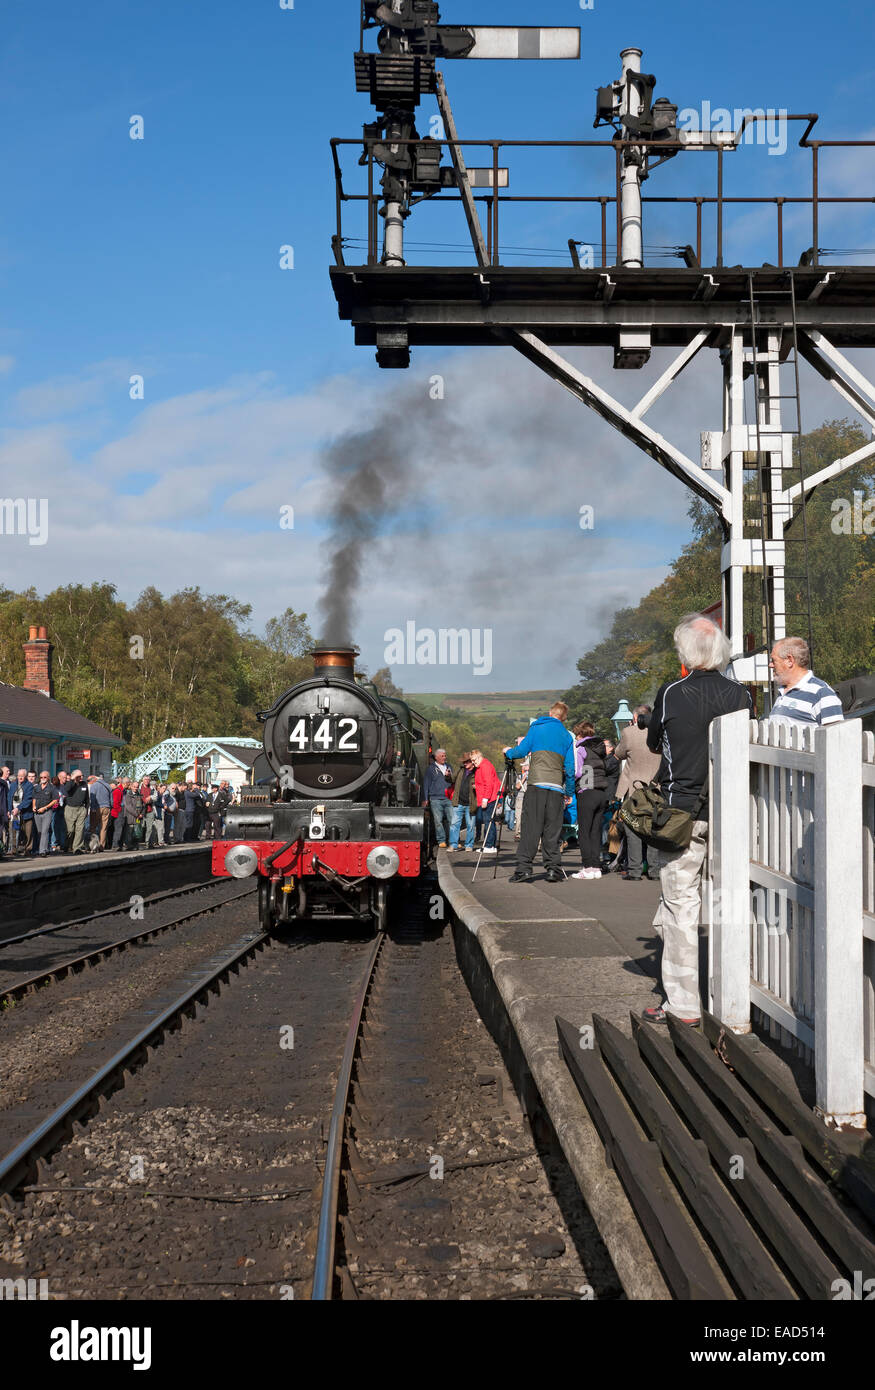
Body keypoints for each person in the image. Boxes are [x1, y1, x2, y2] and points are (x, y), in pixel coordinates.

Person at [644, 613, 753, 1026]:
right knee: (732, 907)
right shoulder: (740, 695)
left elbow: (656, 743)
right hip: (730, 813)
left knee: (680, 907)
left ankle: (685, 1005)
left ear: (686, 653)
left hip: (681, 815)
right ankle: (734, 1001)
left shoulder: (672, 693)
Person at [504, 702, 574, 883]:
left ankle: (524, 869)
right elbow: (571, 768)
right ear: (563, 717)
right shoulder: (567, 736)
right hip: (557, 788)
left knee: (530, 829)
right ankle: (553, 870)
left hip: (537, 786)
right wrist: (570, 792)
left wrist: (508, 753)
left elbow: (521, 750)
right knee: (552, 832)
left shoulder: (537, 728)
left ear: (550, 713)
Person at [615, 706, 662, 880]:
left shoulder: (629, 732)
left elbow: (619, 753)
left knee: (632, 828)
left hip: (633, 787)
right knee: (653, 828)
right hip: (655, 787)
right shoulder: (661, 731)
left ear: (636, 717)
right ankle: (654, 870)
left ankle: (634, 870)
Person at [767, 637, 844, 727]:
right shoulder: (783, 692)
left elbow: (836, 736)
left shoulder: (822, 694)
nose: (770, 665)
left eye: (773, 660)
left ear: (789, 661)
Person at [570, 721, 608, 881]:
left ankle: (587, 867)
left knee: (584, 832)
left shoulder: (581, 749)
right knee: (595, 832)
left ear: (579, 734)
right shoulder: (599, 749)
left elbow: (578, 772)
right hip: (601, 793)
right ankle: (596, 867)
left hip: (586, 792)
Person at [470, 749, 502, 853]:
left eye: (474, 760)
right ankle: (491, 846)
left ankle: (489, 845)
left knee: (488, 821)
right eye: (472, 760)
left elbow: (489, 784)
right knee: (490, 821)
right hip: (489, 797)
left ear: (479, 757)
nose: (473, 762)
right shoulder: (481, 766)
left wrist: (485, 799)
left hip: (489, 798)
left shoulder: (485, 766)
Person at [423, 750, 454, 849]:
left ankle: (452, 840)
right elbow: (426, 784)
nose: (444, 758)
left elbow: (453, 780)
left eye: (445, 756)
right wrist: (425, 798)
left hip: (448, 798)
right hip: (435, 798)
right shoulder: (430, 769)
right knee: (438, 821)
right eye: (442, 756)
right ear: (436, 757)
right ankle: (441, 840)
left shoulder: (449, 767)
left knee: (452, 820)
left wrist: (450, 776)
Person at [448, 755, 477, 851]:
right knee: (454, 824)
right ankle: (453, 844)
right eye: (464, 762)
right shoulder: (460, 770)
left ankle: (469, 845)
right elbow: (451, 780)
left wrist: (477, 787)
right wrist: (447, 776)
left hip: (471, 803)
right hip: (458, 802)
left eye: (467, 762)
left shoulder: (477, 772)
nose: (465, 764)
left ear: (472, 762)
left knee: (471, 825)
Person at [33, 771, 60, 856]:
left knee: (45, 831)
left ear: (48, 778)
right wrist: (33, 806)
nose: (43, 779)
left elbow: (55, 800)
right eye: (41, 777)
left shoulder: (52, 788)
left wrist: (45, 807)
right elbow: (34, 798)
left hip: (47, 812)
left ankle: (42, 851)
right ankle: (46, 848)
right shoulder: (36, 787)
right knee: (39, 832)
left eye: (44, 777)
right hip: (37, 812)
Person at [63, 771, 90, 855]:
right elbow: (66, 790)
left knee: (80, 829)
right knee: (70, 830)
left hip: (81, 808)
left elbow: (87, 798)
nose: (81, 777)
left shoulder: (84, 784)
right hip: (70, 808)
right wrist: (72, 780)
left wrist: (86, 809)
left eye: (82, 776)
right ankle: (67, 845)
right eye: (79, 776)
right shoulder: (69, 784)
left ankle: (77, 848)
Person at [12, 768, 35, 856]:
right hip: (15, 813)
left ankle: (28, 849)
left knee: (28, 832)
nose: (20, 778)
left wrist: (19, 808)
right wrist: (10, 809)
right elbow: (9, 796)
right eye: (19, 776)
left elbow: (28, 799)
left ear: (25, 777)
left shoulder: (29, 785)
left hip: (26, 813)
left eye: (22, 776)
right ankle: (14, 849)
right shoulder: (14, 785)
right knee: (15, 830)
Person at [88, 772, 113, 851]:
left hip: (97, 808)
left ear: (96, 778)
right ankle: (102, 846)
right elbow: (111, 800)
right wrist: (110, 807)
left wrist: (93, 808)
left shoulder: (94, 785)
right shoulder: (108, 786)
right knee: (103, 828)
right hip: (107, 807)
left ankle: (93, 845)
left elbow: (92, 798)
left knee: (93, 827)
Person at [112, 777, 129, 850]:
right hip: (119, 812)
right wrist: (119, 810)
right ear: (125, 783)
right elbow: (115, 803)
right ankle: (115, 845)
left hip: (123, 811)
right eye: (129, 784)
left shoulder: (124, 790)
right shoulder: (118, 790)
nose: (129, 785)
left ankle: (120, 845)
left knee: (123, 829)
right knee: (118, 829)